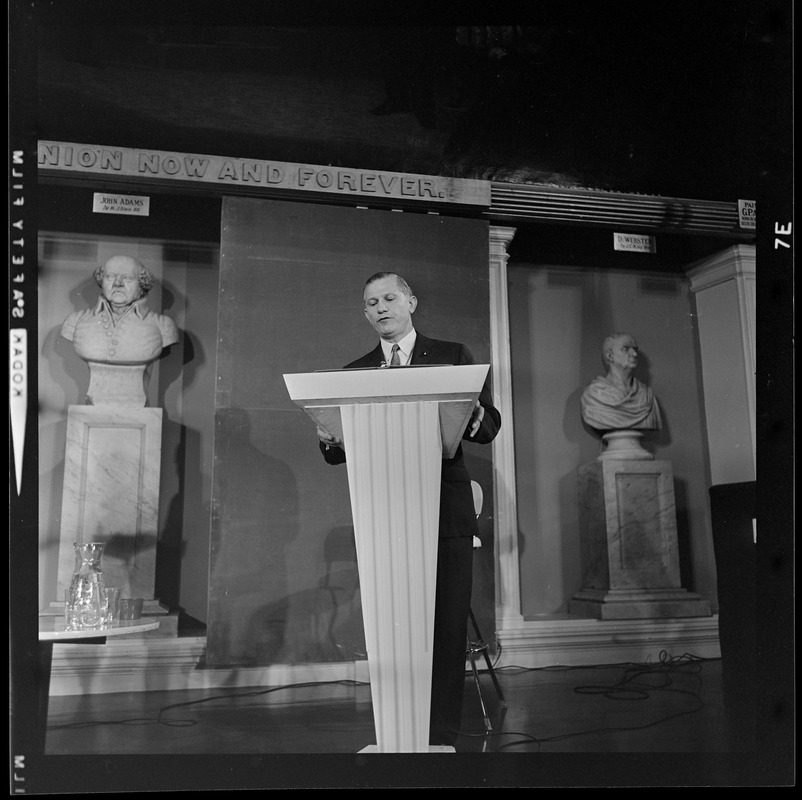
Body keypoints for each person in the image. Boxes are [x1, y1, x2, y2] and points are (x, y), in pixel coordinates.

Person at [317, 271, 501, 747]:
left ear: (411, 302)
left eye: (390, 298)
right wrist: (329, 439)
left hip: (445, 509)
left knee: (443, 626)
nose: (381, 308)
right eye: (371, 302)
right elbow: (339, 452)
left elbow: (489, 423)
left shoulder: (450, 355)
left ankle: (438, 736)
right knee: (393, 628)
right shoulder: (354, 372)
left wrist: (476, 414)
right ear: (365, 313)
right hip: (386, 514)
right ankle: (397, 736)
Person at [61, 254, 178, 365]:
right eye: (110, 277)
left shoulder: (163, 325)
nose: (117, 283)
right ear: (102, 281)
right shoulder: (76, 321)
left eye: (127, 278)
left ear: (142, 284)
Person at [580, 332, 662, 431]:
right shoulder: (593, 395)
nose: (635, 354)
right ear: (610, 356)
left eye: (635, 349)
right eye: (626, 349)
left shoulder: (646, 396)